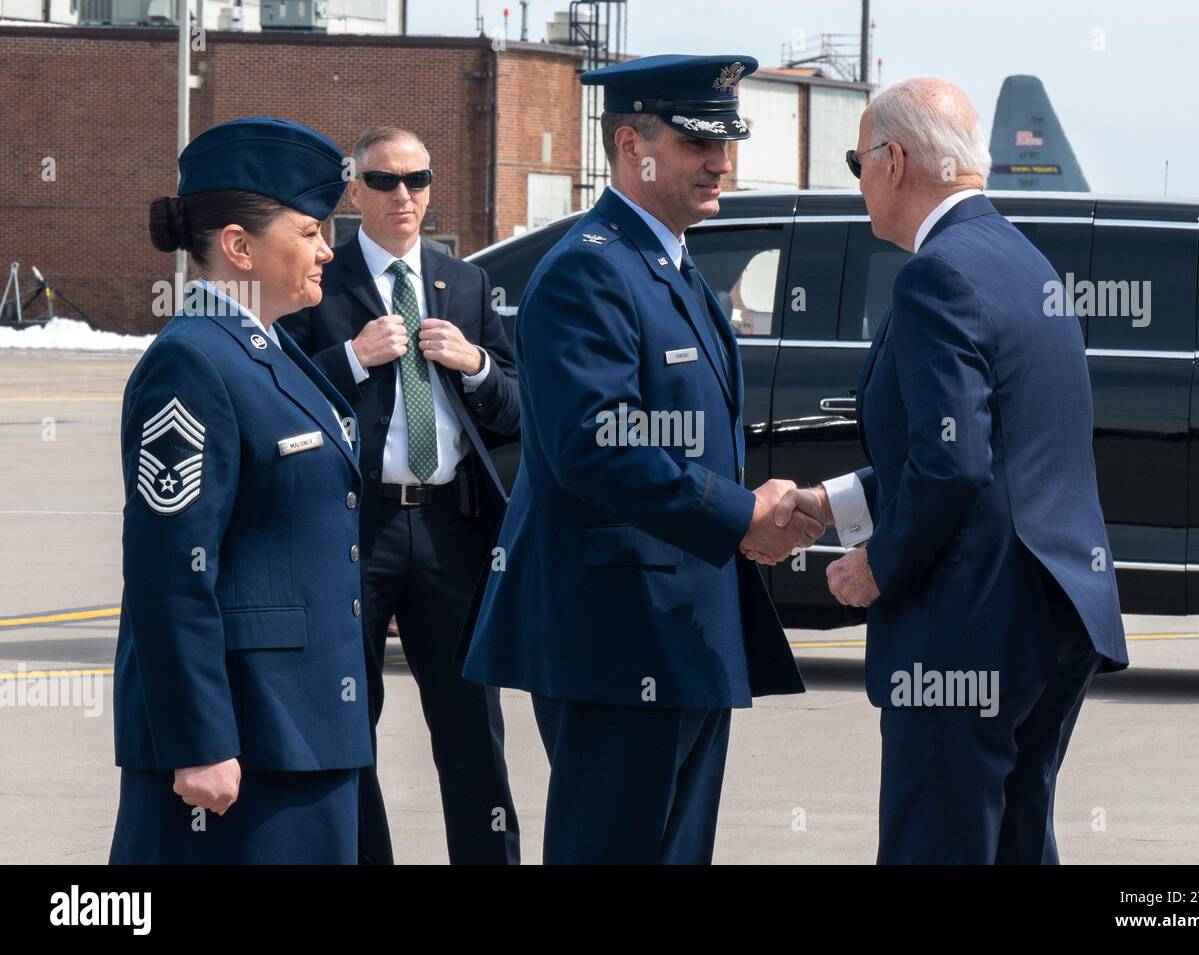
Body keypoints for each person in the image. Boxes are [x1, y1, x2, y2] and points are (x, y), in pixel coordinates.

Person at [459, 55, 816, 865]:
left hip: (683, 630)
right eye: (699, 142)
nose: (721, 162)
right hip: (617, 637)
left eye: (728, 142)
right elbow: (598, 443)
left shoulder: (668, 264)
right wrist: (739, 515)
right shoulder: (591, 268)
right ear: (632, 145)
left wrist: (745, 522)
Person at [770, 77, 1129, 864]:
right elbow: (982, 453)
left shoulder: (939, 275)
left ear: (893, 160)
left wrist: (881, 563)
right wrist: (827, 504)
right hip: (1050, 615)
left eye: (856, 159)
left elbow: (955, 464)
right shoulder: (1022, 260)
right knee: (1016, 844)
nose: (857, 179)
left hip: (967, 627)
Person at [109, 117, 372, 864]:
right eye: (311, 229)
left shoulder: (269, 348)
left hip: (303, 728)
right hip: (242, 747)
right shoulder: (191, 361)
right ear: (238, 245)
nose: (327, 249)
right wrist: (199, 741)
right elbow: (170, 570)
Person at [278, 127, 521, 865]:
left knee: (472, 725)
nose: (403, 195)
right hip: (361, 525)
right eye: (384, 181)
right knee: (351, 718)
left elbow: (516, 408)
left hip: (450, 523)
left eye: (417, 179)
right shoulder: (322, 278)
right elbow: (280, 392)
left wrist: (476, 363)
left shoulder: (466, 284)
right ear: (354, 191)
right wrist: (349, 358)